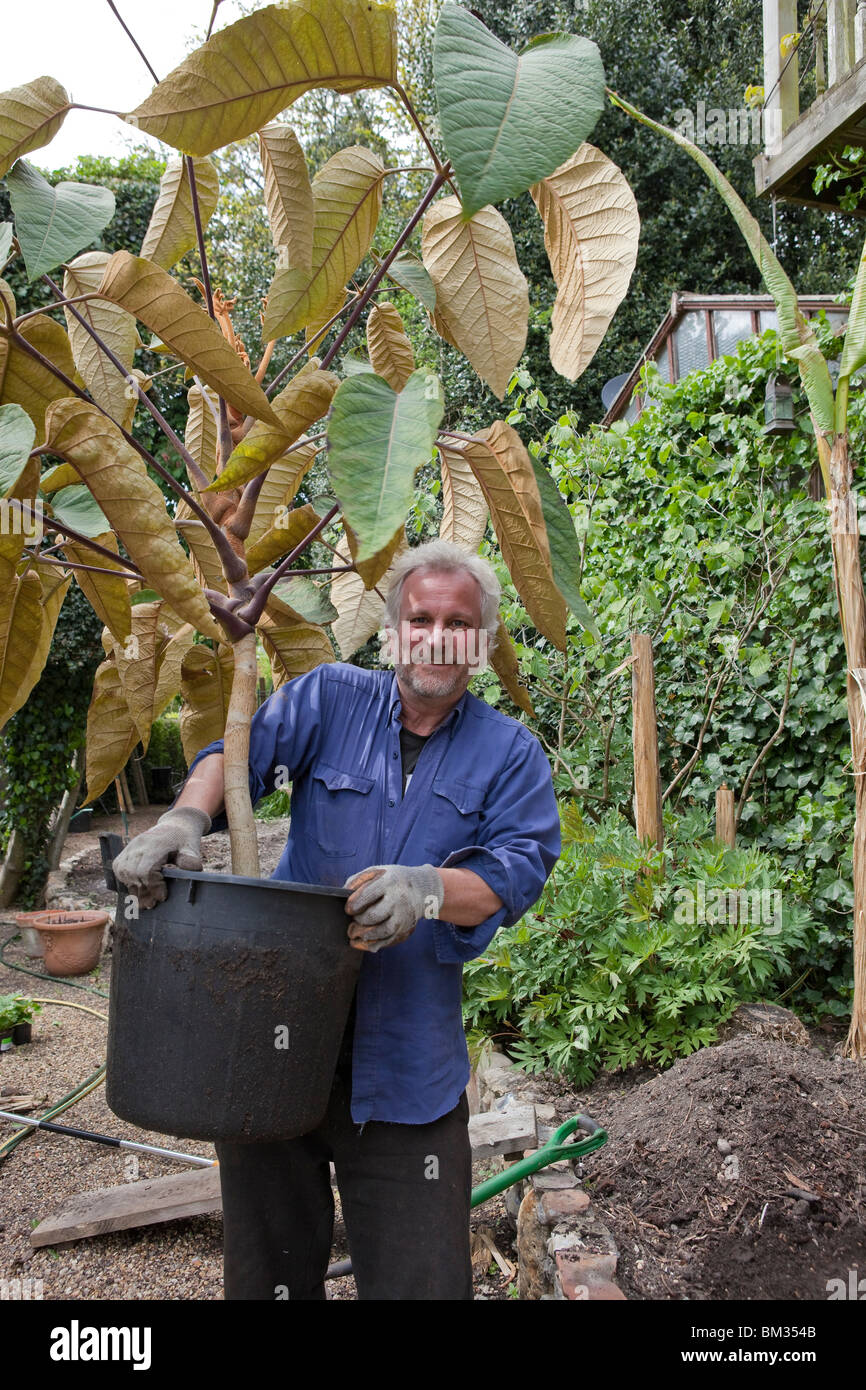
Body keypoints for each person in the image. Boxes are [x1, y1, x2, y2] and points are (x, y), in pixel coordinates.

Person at [112, 539, 560, 1300]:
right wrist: (186, 818)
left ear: (482, 642)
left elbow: (516, 872)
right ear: (392, 632)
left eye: (460, 622)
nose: (439, 636)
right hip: (270, 1050)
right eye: (420, 618)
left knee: (423, 1284)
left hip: (408, 1073)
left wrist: (426, 889)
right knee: (269, 1279)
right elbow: (240, 754)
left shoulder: (510, 754)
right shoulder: (327, 698)